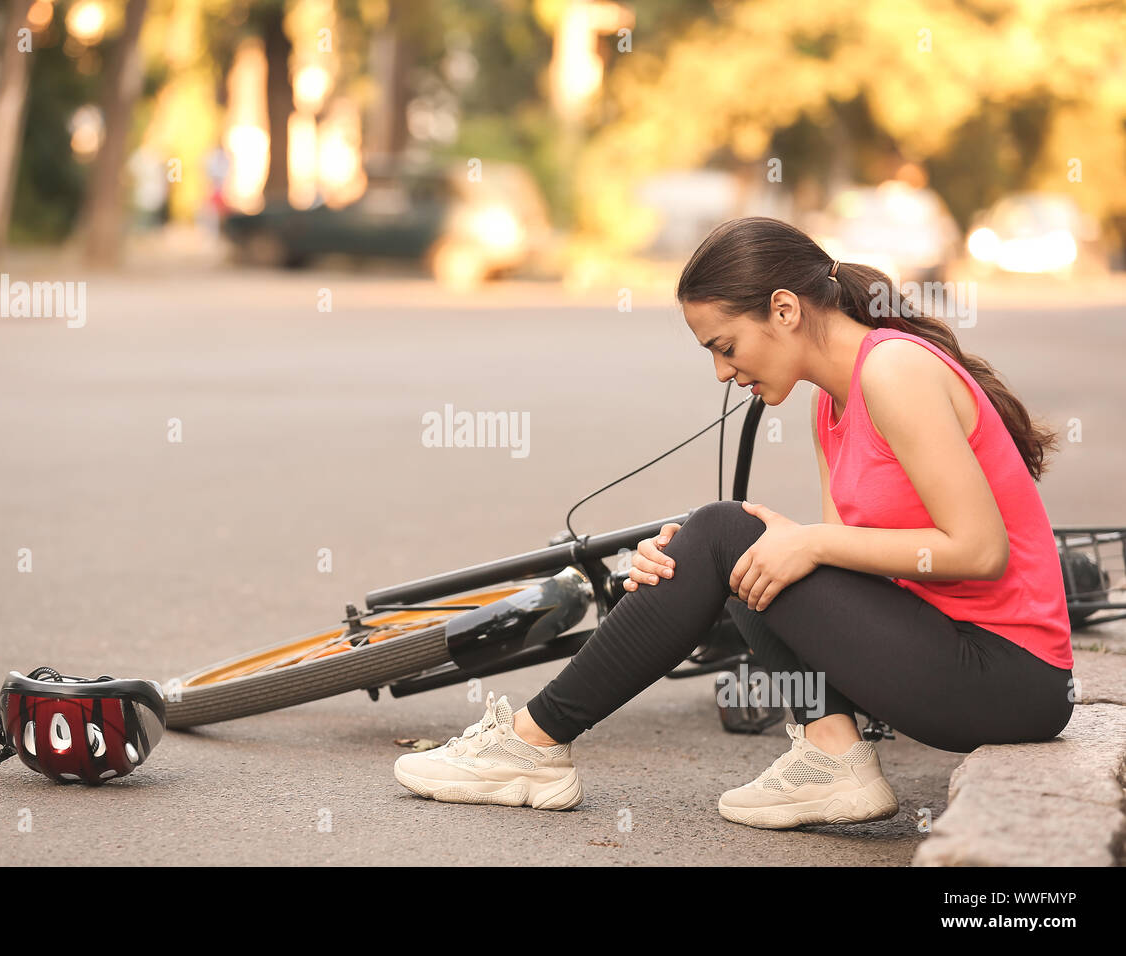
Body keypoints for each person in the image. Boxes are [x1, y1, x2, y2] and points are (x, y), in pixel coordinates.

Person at [393, 216, 1075, 828]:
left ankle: (532, 745)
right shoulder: (832, 406)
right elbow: (865, 566)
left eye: (726, 345)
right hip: (956, 662)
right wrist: (704, 559)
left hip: (1008, 678)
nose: (723, 372)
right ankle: (830, 760)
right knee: (737, 535)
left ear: (784, 310)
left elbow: (979, 551)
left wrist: (772, 541)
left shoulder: (893, 371)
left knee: (732, 532)